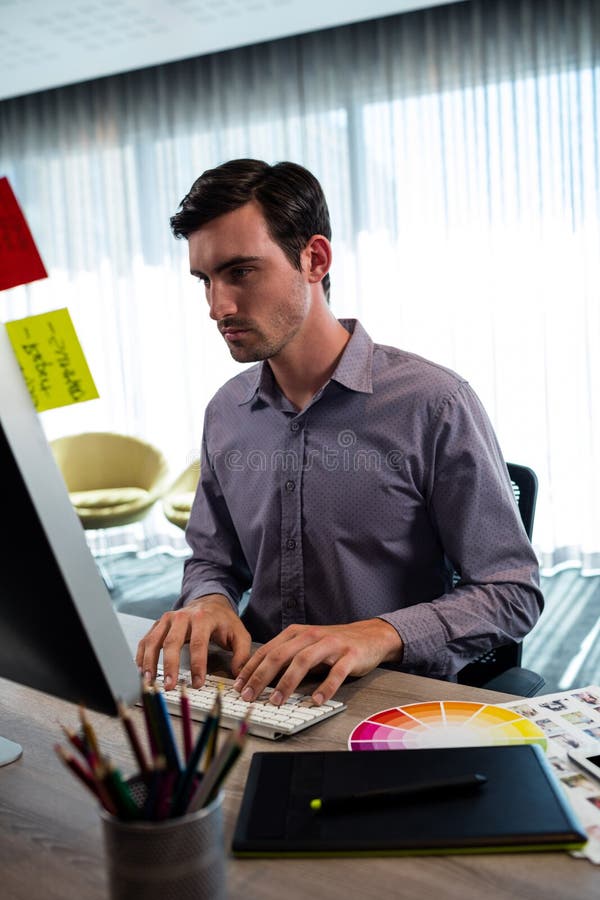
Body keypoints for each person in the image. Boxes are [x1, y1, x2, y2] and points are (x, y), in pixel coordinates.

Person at [137, 158, 542, 707]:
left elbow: (511, 591)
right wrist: (210, 601)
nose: (217, 307)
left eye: (241, 272)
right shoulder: (226, 412)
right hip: (255, 697)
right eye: (205, 280)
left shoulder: (434, 403)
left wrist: (380, 634)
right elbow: (213, 559)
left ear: (314, 258)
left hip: (391, 705)